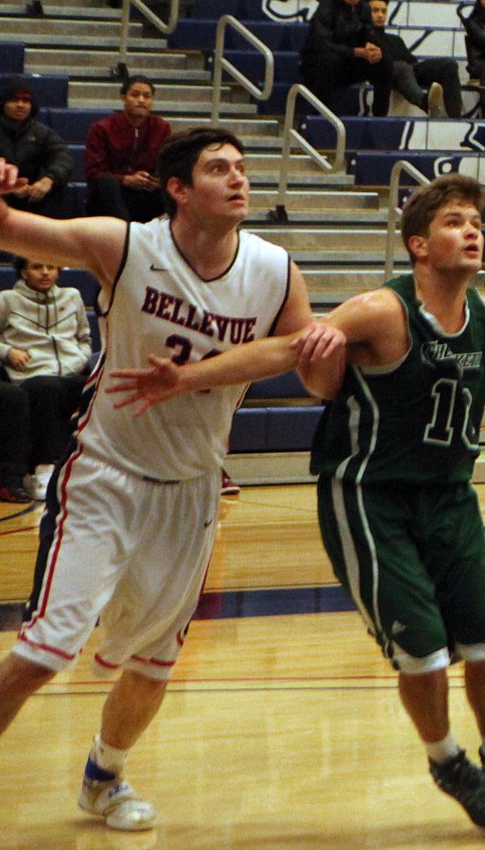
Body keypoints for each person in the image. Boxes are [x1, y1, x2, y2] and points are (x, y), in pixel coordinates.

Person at [108, 173, 485, 828]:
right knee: (423, 647)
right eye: (455, 222)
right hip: (371, 498)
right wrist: (187, 377)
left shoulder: (484, 313)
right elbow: (286, 348)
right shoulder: (380, 311)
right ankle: (448, 761)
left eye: (476, 223)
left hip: (451, 497)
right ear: (418, 245)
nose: (472, 232)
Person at [0, 127, 319, 832]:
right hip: (105, 473)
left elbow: (310, 363)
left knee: (153, 660)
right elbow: (14, 230)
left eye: (242, 167)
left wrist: (329, 350)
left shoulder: (275, 270)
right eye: (218, 168)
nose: (238, 179)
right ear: (178, 188)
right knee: (41, 653)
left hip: (192, 490)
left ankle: (104, 777)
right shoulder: (125, 245)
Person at [0, 257, 93, 503]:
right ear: (23, 272)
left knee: (95, 387)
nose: (45, 273)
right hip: (32, 374)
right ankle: (44, 470)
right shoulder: (7, 300)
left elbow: (85, 339)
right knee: (47, 389)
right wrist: (7, 352)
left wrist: (79, 358)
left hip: (71, 371)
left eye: (50, 267)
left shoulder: (72, 296)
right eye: (37, 267)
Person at [299, 0, 391, 113]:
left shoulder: (364, 8)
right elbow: (321, 44)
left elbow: (370, 34)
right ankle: (320, 116)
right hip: (318, 64)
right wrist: (356, 52)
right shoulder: (326, 7)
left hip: (349, 63)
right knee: (329, 60)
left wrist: (373, 47)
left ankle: (380, 116)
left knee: (384, 62)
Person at [365, 0, 464, 118]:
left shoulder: (395, 39)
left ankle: (456, 117)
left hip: (407, 73)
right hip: (382, 74)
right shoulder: (362, 38)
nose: (380, 15)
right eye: (375, 11)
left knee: (448, 64)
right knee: (402, 67)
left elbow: (413, 64)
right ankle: (426, 103)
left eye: (383, 11)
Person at [85, 77, 170, 222]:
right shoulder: (102, 128)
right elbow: (94, 173)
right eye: (135, 95)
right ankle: (127, 231)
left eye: (147, 96)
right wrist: (125, 180)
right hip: (113, 193)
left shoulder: (162, 127)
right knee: (106, 182)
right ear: (124, 98)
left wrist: (157, 180)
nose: (141, 100)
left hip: (146, 193)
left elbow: (167, 162)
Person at [0, 78, 73, 219]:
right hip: (2, 192)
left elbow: (62, 156)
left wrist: (48, 180)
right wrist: (9, 187)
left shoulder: (42, 133)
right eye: (14, 100)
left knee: (59, 189)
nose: (20, 105)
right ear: (3, 104)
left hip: (32, 194)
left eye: (26, 101)